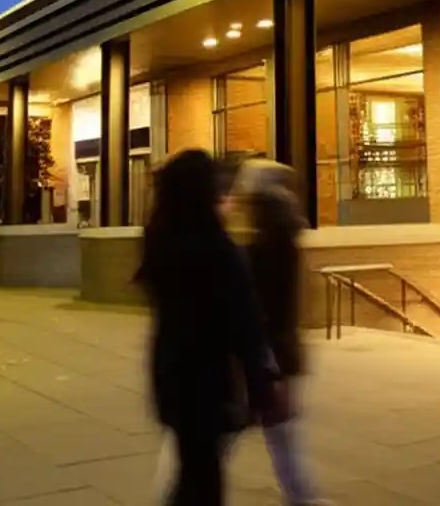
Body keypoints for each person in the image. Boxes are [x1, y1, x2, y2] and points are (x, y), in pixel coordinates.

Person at [136, 149, 282, 506]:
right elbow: (245, 325)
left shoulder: (160, 242)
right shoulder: (219, 250)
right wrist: (263, 385)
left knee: (193, 471)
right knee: (203, 481)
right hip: (208, 383)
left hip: (172, 375)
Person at [230, 159, 325, 505]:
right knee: (280, 431)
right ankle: (301, 497)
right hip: (277, 350)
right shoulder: (285, 237)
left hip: (260, 351)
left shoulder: (255, 245)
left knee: (232, 430)